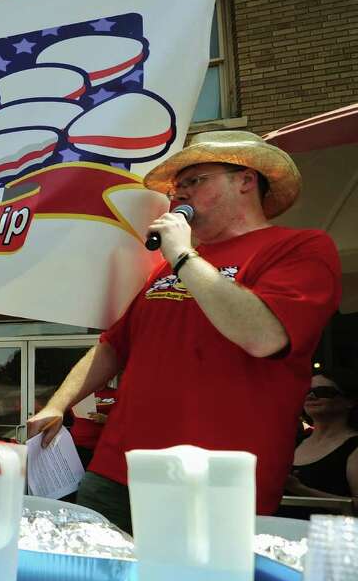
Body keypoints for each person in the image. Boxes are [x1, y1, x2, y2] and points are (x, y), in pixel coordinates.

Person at [27, 131, 341, 532]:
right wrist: (58, 404)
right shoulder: (166, 267)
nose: (181, 196)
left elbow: (264, 337)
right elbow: (113, 345)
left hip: (217, 480)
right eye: (179, 187)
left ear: (246, 178)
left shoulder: (301, 248)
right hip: (118, 469)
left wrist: (181, 254)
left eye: (196, 181)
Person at [283, 367, 358, 512]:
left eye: (323, 392)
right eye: (306, 391)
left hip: (327, 533)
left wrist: (301, 489)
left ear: (349, 401)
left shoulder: (353, 447)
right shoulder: (292, 443)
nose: (310, 396)